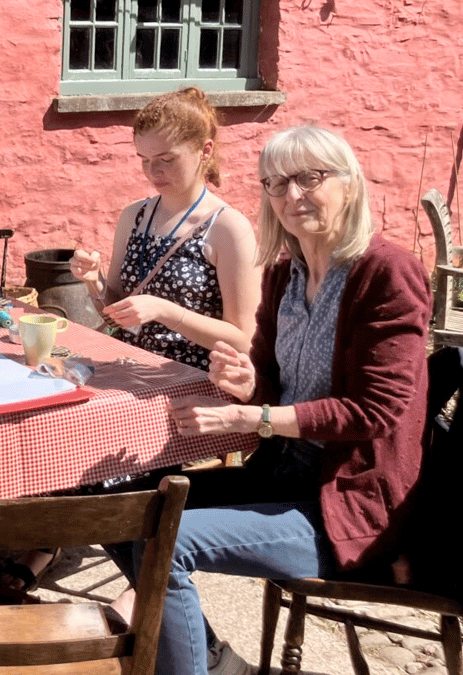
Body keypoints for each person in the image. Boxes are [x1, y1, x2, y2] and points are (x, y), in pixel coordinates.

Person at [146, 124, 431, 675]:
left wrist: (255, 413)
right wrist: (245, 381)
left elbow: (377, 411)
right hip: (282, 475)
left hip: (345, 501)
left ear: (349, 184)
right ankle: (207, 658)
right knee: (133, 508)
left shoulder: (387, 273)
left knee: (169, 539)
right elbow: (272, 384)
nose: (290, 195)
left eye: (309, 177)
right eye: (276, 183)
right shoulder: (285, 273)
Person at [70, 87, 261, 371]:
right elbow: (115, 313)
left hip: (191, 383)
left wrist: (165, 311)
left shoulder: (227, 228)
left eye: (167, 159)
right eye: (144, 159)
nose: (153, 171)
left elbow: (244, 341)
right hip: (126, 368)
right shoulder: (134, 216)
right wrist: (92, 280)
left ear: (205, 151)